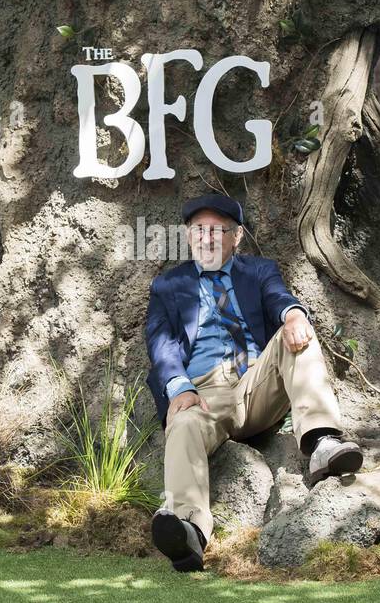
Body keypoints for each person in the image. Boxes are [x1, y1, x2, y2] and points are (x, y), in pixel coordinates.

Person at [145, 194, 363, 572]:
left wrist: (293, 314)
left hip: (256, 382)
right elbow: (161, 345)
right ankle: (190, 530)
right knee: (181, 424)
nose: (206, 238)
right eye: (198, 230)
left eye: (217, 230)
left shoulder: (258, 271)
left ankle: (321, 442)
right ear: (187, 235)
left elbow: (279, 297)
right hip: (203, 393)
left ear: (237, 236)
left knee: (298, 329)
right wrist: (179, 387)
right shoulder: (168, 286)